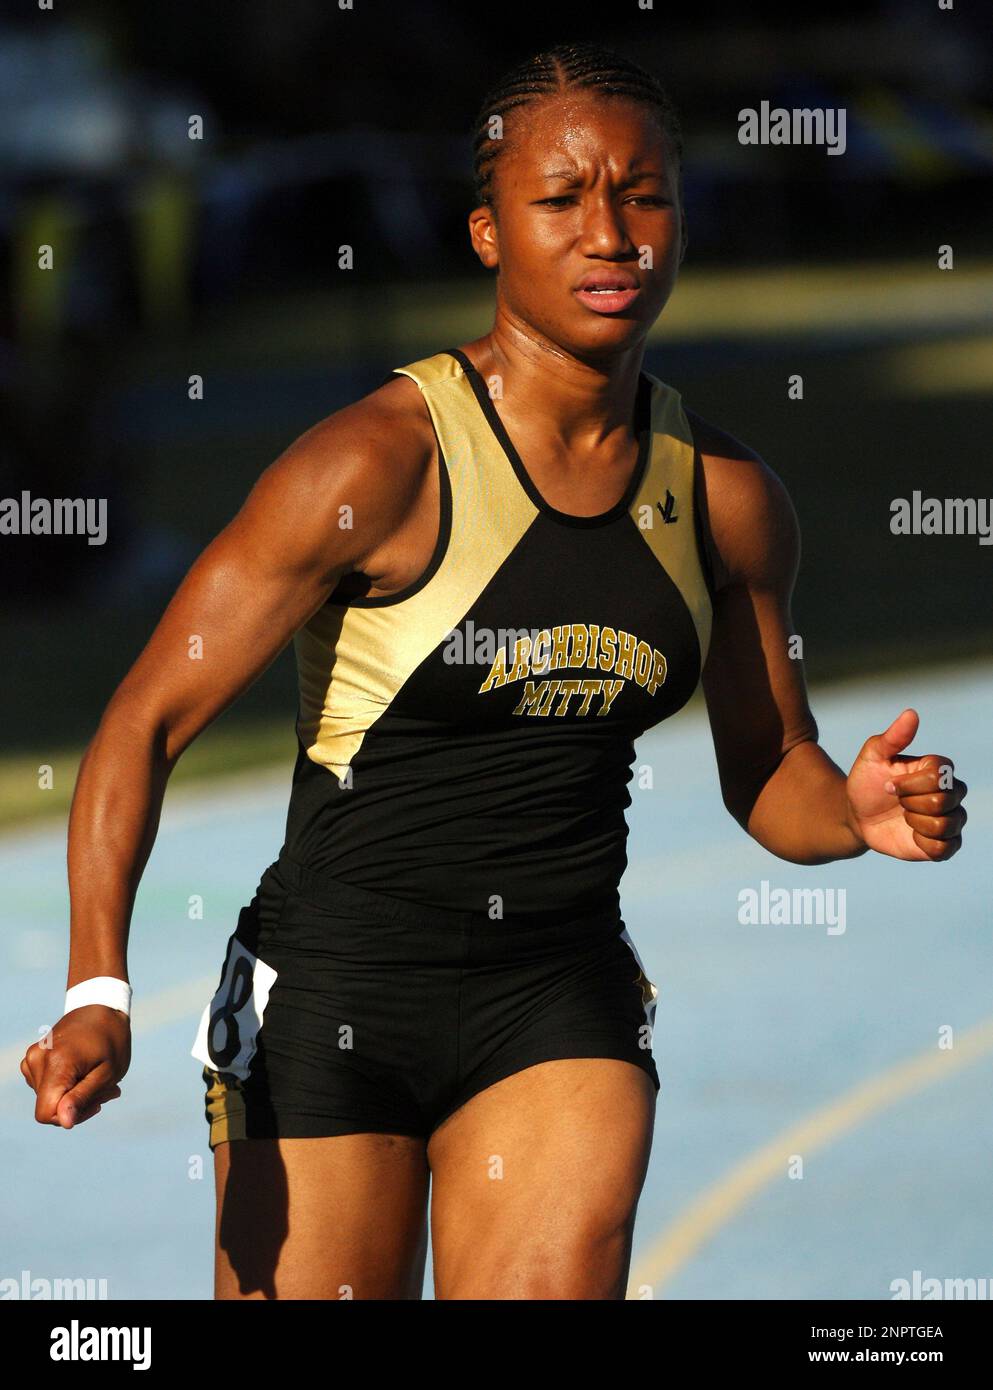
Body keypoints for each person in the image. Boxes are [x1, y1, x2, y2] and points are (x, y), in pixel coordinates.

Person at [21, 41, 968, 1301]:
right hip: (331, 999)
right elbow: (144, 721)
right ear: (487, 233)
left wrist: (849, 809)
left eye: (644, 195)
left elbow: (769, 769)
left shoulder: (728, 500)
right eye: (562, 198)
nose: (611, 233)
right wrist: (97, 987)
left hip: (557, 999)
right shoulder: (374, 467)